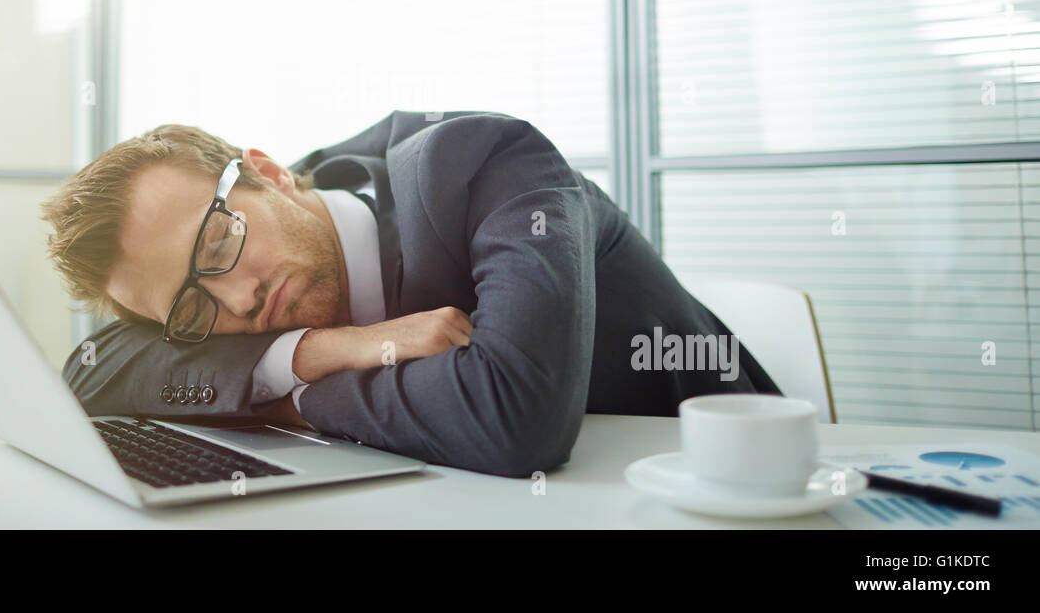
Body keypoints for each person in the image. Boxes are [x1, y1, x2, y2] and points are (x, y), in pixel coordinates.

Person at [41, 110, 780, 477]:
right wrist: (322, 351)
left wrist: (285, 398)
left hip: (716, 484)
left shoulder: (480, 163)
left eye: (216, 245)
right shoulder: (258, 235)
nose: (235, 303)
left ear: (265, 171)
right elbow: (89, 369)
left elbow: (512, 418)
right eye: (189, 308)